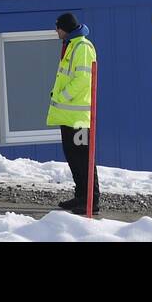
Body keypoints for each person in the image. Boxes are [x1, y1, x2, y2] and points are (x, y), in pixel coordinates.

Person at [47, 12, 98, 214]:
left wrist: (63, 96)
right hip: (69, 115)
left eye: (57, 27)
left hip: (78, 117)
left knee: (83, 159)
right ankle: (81, 197)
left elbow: (83, 79)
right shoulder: (72, 45)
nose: (56, 31)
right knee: (74, 157)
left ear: (65, 28)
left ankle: (91, 202)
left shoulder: (82, 47)